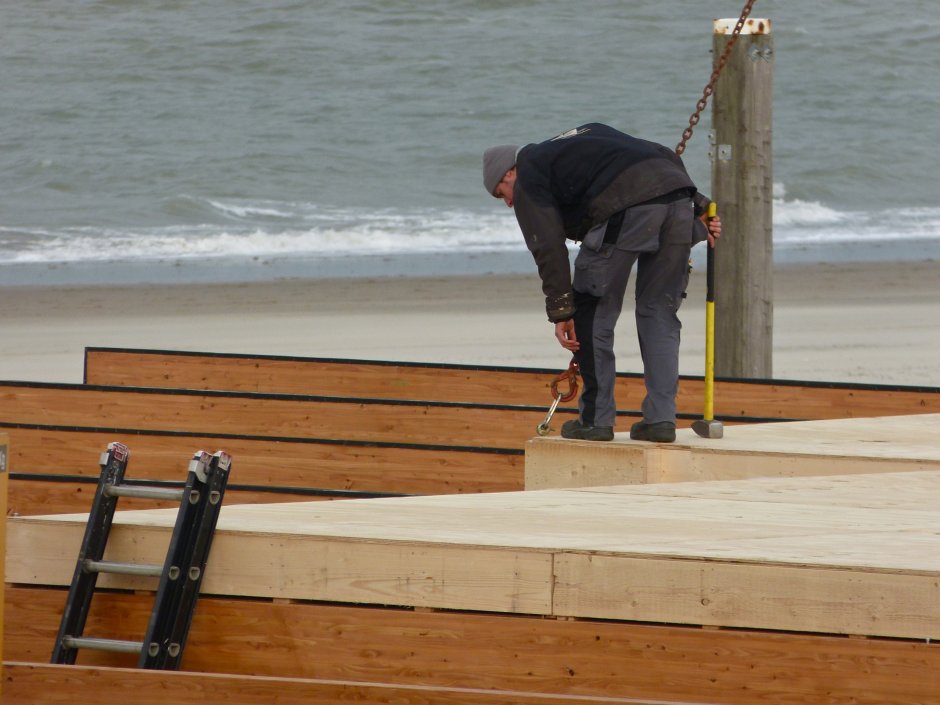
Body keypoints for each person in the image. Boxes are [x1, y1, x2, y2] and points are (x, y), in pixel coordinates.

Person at [482, 123, 721, 443]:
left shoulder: (530, 173)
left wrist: (562, 309)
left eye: (502, 195)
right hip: (679, 200)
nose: (509, 204)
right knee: (659, 313)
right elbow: (656, 153)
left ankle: (596, 420)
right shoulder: (586, 135)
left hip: (625, 210)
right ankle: (661, 420)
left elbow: (547, 244)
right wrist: (700, 207)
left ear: (509, 174)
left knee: (592, 314)